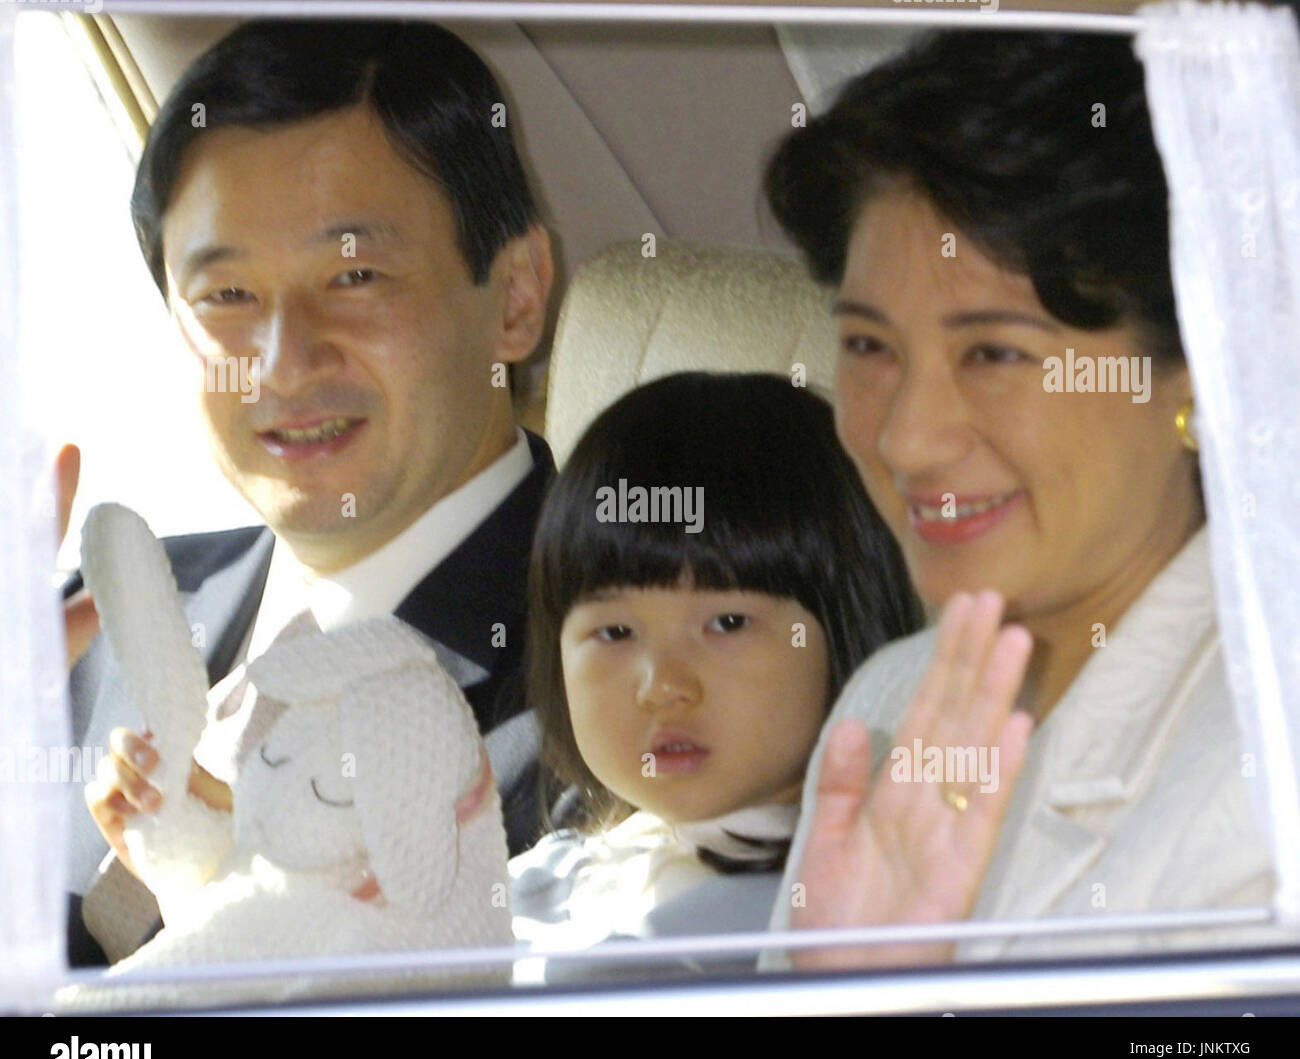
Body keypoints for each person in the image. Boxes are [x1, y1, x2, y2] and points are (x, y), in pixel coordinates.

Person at [760, 30, 1280, 966]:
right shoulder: (886, 703)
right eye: (871, 347)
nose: (904, 437)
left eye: (994, 354)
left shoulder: (1268, 776)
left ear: (1196, 367)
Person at [63, 19, 558, 968]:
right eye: (226, 298)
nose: (283, 366)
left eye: (355, 276)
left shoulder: (633, 686)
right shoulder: (90, 622)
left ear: (516, 297)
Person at [508, 372, 921, 980]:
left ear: (846, 627)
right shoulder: (553, 872)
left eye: (728, 622)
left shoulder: (821, 918)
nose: (663, 685)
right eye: (615, 633)